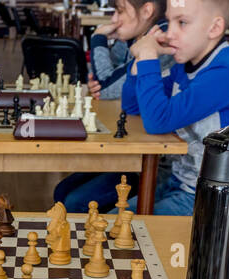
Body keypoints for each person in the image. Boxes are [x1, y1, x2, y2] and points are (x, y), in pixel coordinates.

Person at [119, 0, 229, 215]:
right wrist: (139, 64)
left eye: (182, 22)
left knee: (116, 230)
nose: (169, 33)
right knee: (112, 221)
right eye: (168, 21)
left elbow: (157, 121)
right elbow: (132, 106)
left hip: (209, 198)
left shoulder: (223, 72)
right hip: (179, 181)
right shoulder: (185, 65)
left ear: (215, 28)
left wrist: (148, 56)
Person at [53, 0, 173, 212]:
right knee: (63, 191)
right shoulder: (135, 37)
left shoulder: (158, 41)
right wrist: (101, 81)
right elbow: (102, 79)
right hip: (133, 148)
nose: (114, 20)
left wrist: (98, 38)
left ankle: (86, 243)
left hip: (157, 163)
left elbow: (107, 86)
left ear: (147, 11)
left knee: (73, 202)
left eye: (119, 11)